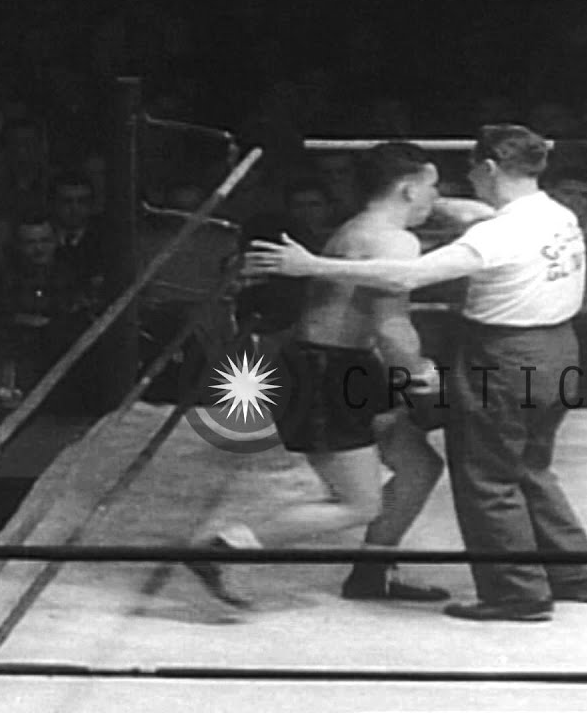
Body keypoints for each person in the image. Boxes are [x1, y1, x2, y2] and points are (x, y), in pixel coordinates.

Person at [246, 125, 587, 622]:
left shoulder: (490, 234)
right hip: (558, 350)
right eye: (434, 185)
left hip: (504, 356)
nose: (454, 189)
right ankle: (574, 574)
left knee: (486, 477)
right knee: (528, 465)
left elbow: (404, 278)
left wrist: (311, 265)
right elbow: (470, 213)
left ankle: (516, 593)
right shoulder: (554, 214)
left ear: (488, 169)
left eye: (466, 174)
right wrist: (422, 201)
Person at [189, 142, 475, 607]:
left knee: (419, 466)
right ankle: (224, 547)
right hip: (326, 373)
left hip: (348, 366)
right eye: (432, 185)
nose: (436, 196)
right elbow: (392, 325)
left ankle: (372, 575)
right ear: (408, 187)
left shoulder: (363, 227)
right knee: (358, 502)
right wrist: (422, 376)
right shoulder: (392, 241)